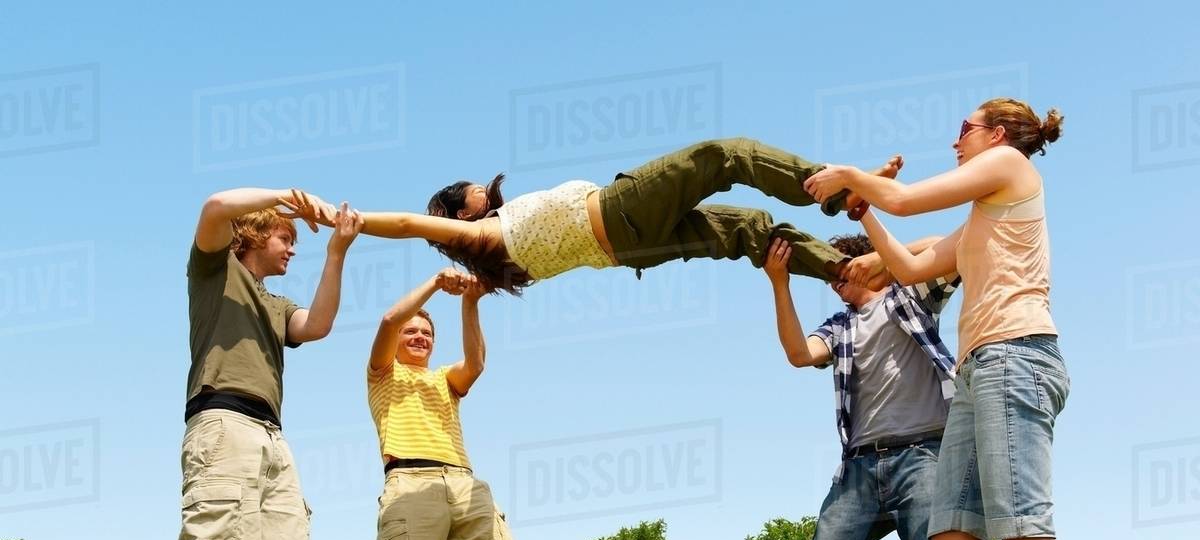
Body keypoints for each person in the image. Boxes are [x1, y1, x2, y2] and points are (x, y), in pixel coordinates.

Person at [808, 99, 1090, 540]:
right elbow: (908, 266)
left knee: (1026, 533)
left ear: (995, 134)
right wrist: (866, 213)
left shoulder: (1012, 167)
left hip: (1016, 357)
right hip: (979, 372)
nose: (954, 139)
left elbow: (909, 201)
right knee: (953, 537)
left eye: (964, 128)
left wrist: (852, 173)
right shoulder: (982, 219)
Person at [744, 235, 989, 540]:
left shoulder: (910, 297)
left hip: (923, 458)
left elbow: (951, 245)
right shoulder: (839, 327)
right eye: (829, 274)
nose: (835, 280)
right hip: (858, 468)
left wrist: (876, 260)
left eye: (841, 268)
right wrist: (779, 282)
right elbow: (798, 353)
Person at [150, 188, 363, 540]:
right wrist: (296, 199)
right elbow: (215, 205)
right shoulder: (214, 272)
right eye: (284, 237)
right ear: (252, 235)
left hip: (272, 433)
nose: (292, 248)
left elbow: (318, 325)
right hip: (221, 421)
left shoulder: (276, 304)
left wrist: (337, 252)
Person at [283, 139, 902, 294]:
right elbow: (414, 226)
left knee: (753, 234)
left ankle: (847, 272)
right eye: (477, 194)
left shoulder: (500, 265)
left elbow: (469, 282)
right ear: (458, 213)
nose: (488, 195)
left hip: (628, 251)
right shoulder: (478, 234)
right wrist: (350, 218)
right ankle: (831, 191)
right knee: (724, 157)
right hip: (618, 210)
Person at [366, 268, 519, 540]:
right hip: (410, 480)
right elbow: (388, 320)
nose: (418, 337)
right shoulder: (382, 374)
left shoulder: (444, 380)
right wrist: (435, 284)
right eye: (411, 331)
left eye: (426, 332)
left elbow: (476, 365)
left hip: (463, 479)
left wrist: (470, 301)